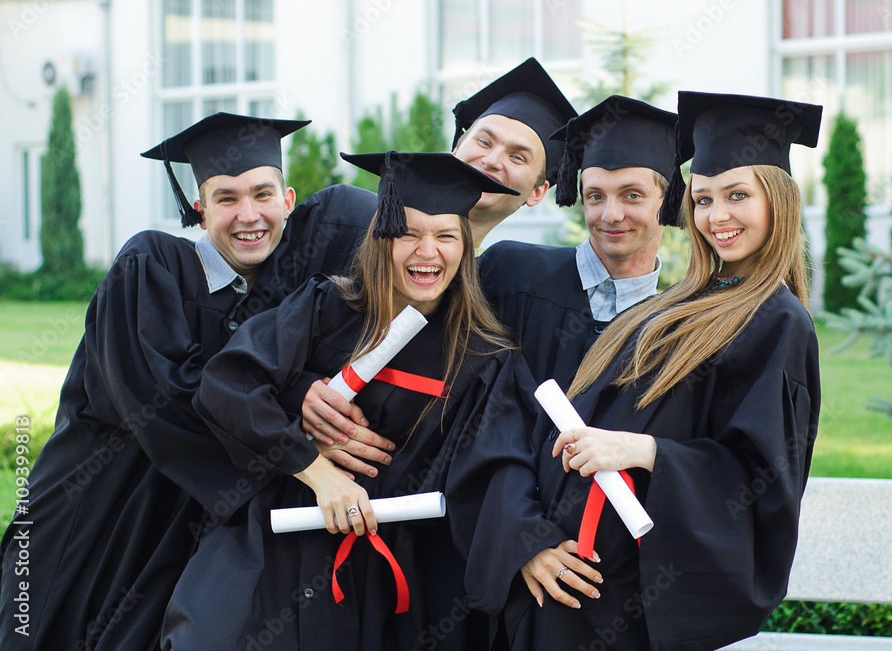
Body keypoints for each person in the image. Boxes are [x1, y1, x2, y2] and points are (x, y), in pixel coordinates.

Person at [451, 92, 824, 650]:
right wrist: (523, 538)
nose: (717, 215)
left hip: (611, 594)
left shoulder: (777, 320)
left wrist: (642, 451)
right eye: (704, 198)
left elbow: (761, 480)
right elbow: (490, 419)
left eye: (738, 195)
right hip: (557, 592)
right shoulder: (683, 309)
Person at [0, 112, 378, 651]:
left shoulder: (286, 301)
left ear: (288, 201)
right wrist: (304, 456)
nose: (248, 215)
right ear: (200, 209)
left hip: (179, 517)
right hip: (97, 504)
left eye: (262, 194)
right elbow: (171, 402)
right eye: (226, 199)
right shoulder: (150, 265)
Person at [161, 152, 539, 651]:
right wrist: (317, 471)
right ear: (381, 237)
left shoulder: (484, 358)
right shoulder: (328, 307)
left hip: (390, 571)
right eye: (408, 233)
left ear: (465, 248)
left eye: (446, 236)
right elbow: (230, 384)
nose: (427, 251)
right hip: (280, 537)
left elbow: (496, 467)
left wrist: (530, 543)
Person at [293, 56, 576, 446]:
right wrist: (298, 396)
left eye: (517, 156)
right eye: (484, 141)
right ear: (457, 146)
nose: (492, 160)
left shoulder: (499, 293)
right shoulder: (337, 217)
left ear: (538, 192)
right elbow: (254, 336)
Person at [478, 95, 680, 387]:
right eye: (596, 196)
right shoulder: (509, 273)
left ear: (669, 200)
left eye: (632, 195)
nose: (610, 215)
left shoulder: (675, 330)